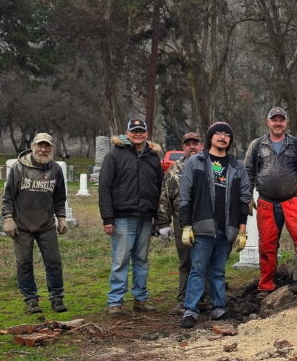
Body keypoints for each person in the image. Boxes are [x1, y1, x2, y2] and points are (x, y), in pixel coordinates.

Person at [178, 121, 250, 328]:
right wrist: (186, 226)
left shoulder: (237, 167)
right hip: (202, 226)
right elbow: (185, 196)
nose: (222, 137)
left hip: (226, 228)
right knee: (198, 269)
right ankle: (190, 310)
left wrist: (242, 231)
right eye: (217, 133)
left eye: (226, 134)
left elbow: (244, 199)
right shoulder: (196, 163)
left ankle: (218, 307)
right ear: (210, 138)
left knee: (218, 270)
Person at [244, 107, 297, 293]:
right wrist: (246, 196)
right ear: (267, 122)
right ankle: (266, 285)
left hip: (293, 200)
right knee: (267, 246)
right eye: (274, 120)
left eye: (281, 120)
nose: (278, 123)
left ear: (286, 122)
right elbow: (247, 171)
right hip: (265, 202)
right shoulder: (256, 145)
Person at [98, 117, 163, 316]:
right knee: (121, 260)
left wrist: (158, 216)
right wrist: (107, 218)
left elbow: (159, 188)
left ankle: (140, 299)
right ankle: (115, 301)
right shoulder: (114, 156)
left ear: (146, 134)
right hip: (122, 217)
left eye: (141, 131)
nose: (137, 134)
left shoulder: (153, 157)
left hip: (145, 217)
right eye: (134, 131)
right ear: (127, 133)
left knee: (141, 260)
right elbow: (104, 188)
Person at [0, 131, 68, 315]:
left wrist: (61, 218)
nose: (43, 149)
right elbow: (8, 197)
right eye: (40, 145)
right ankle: (30, 300)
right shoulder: (18, 168)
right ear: (33, 146)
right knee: (24, 263)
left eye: (47, 146)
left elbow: (59, 197)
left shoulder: (55, 169)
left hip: (46, 224)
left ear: (52, 148)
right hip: (22, 225)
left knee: (54, 262)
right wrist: (8, 219)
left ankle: (57, 297)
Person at [157, 131, 204, 311]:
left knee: (204, 261)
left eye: (195, 143)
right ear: (183, 147)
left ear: (201, 146)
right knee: (185, 261)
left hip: (205, 220)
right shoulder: (174, 170)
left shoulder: (210, 166)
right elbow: (165, 197)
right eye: (188, 144)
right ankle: (183, 299)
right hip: (181, 221)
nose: (192, 146)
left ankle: (205, 297)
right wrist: (163, 222)